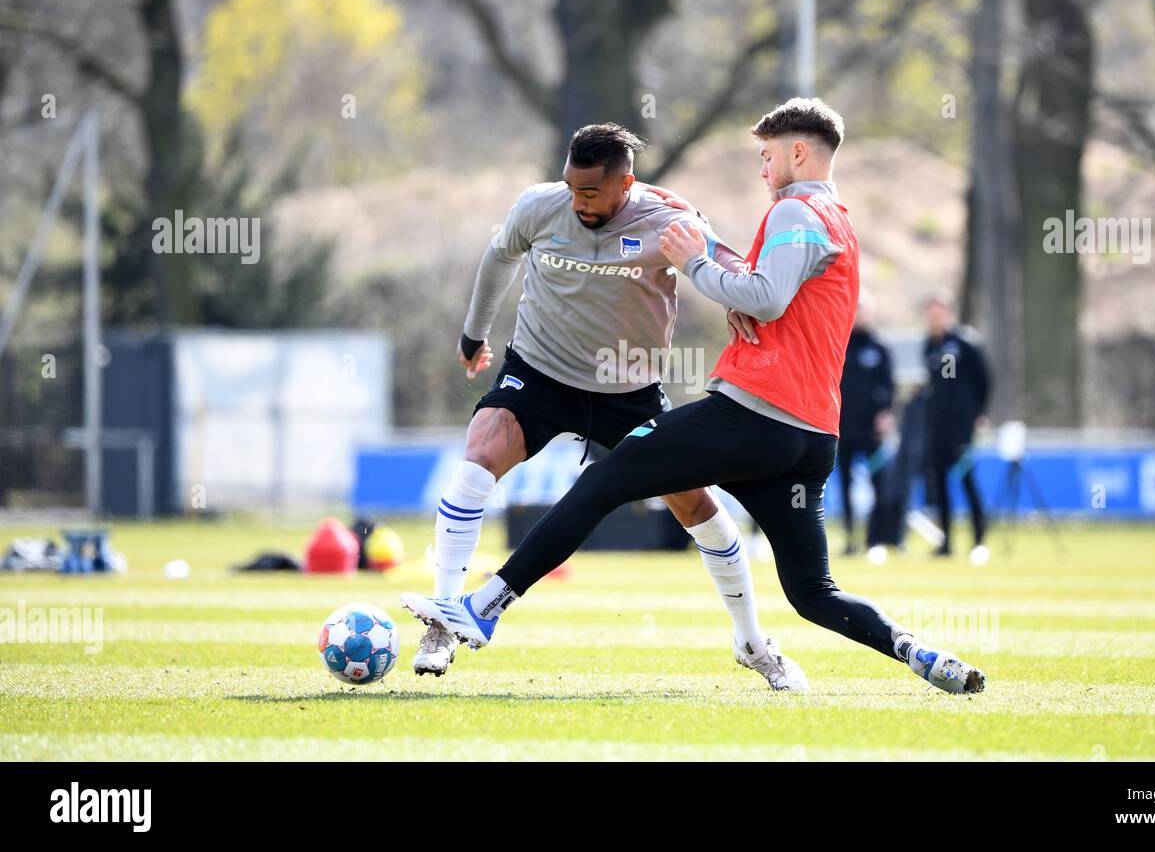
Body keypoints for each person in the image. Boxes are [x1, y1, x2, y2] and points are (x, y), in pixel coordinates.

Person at [402, 98, 986, 696]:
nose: (762, 168)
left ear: (798, 153)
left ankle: (484, 606)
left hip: (749, 409)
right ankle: (918, 653)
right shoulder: (840, 219)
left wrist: (697, 263)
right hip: (810, 436)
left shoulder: (792, 212)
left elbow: (763, 295)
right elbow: (777, 299)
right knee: (814, 592)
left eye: (766, 155)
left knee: (608, 482)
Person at [407, 123, 806, 691]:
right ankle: (444, 618)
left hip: (629, 391)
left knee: (695, 505)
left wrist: (731, 303)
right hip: (540, 373)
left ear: (626, 183)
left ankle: (752, 642)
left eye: (590, 193)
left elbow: (735, 271)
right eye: (571, 188)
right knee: (482, 447)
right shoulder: (539, 208)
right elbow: (499, 259)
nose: (578, 202)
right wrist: (474, 333)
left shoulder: (668, 219)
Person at [921, 289, 991, 562]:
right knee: (938, 483)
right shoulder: (929, 345)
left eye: (939, 314)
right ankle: (946, 542)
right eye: (931, 315)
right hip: (936, 425)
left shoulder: (966, 343)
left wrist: (978, 413)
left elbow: (984, 380)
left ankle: (979, 540)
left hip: (961, 426)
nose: (935, 320)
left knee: (966, 479)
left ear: (949, 314)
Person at [837, 294, 894, 556]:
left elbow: (888, 386)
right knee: (845, 485)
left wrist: (885, 413)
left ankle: (876, 540)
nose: (859, 315)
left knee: (878, 484)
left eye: (863, 310)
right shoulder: (838, 344)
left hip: (872, 431)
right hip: (842, 428)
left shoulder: (879, 348)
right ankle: (850, 539)